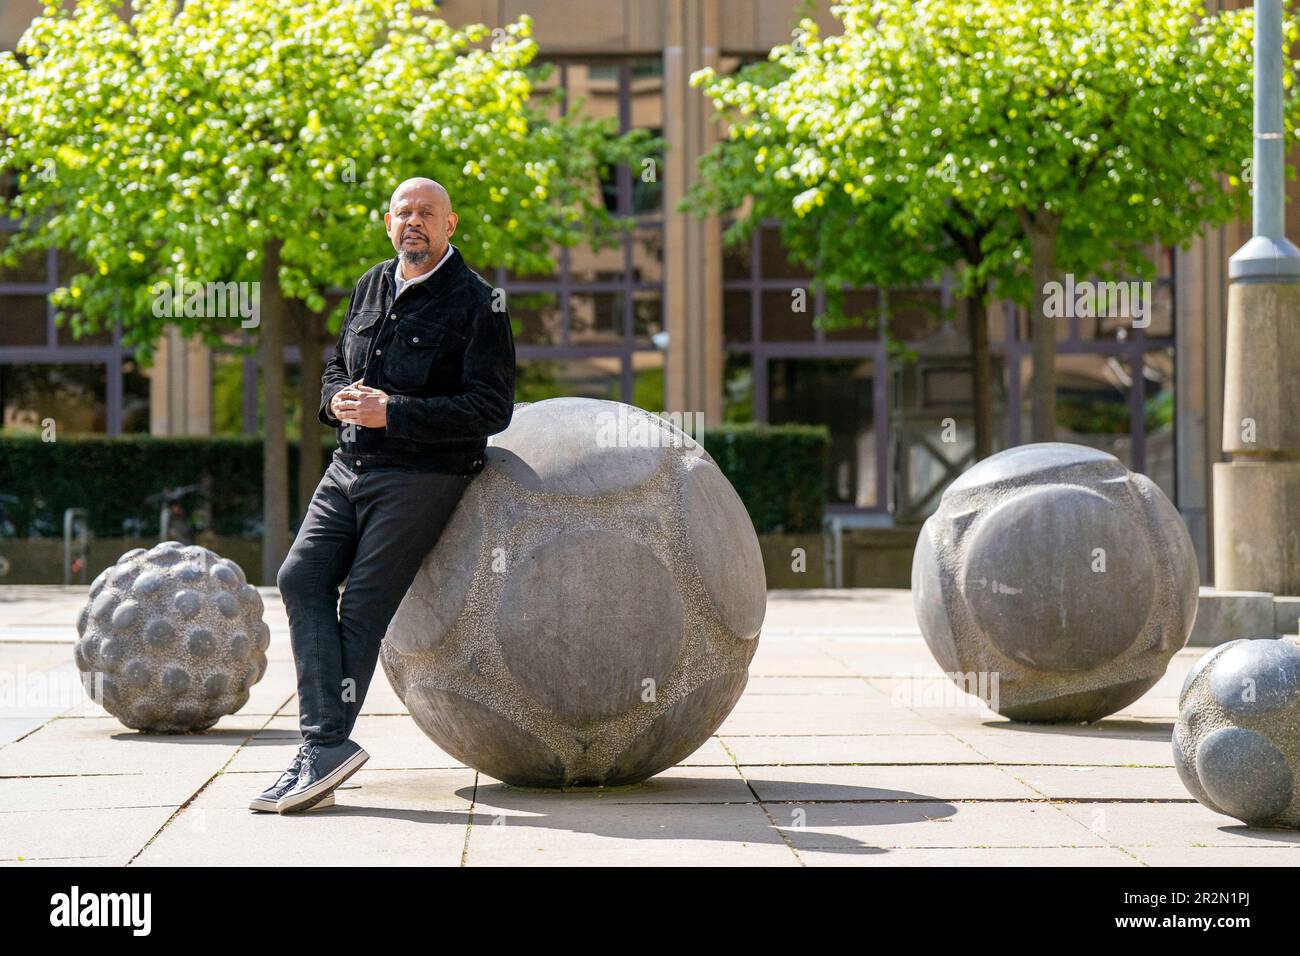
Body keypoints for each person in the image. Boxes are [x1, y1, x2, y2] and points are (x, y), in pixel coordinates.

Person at [251, 177, 516, 813]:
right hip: (348, 465)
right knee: (299, 578)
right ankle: (327, 747)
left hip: (422, 477)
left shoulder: (482, 303)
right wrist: (336, 400)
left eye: (427, 213)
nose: (414, 223)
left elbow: (492, 406)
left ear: (451, 225)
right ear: (388, 224)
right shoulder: (371, 283)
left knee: (362, 608)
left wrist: (391, 412)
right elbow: (337, 366)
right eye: (404, 213)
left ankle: (321, 745)